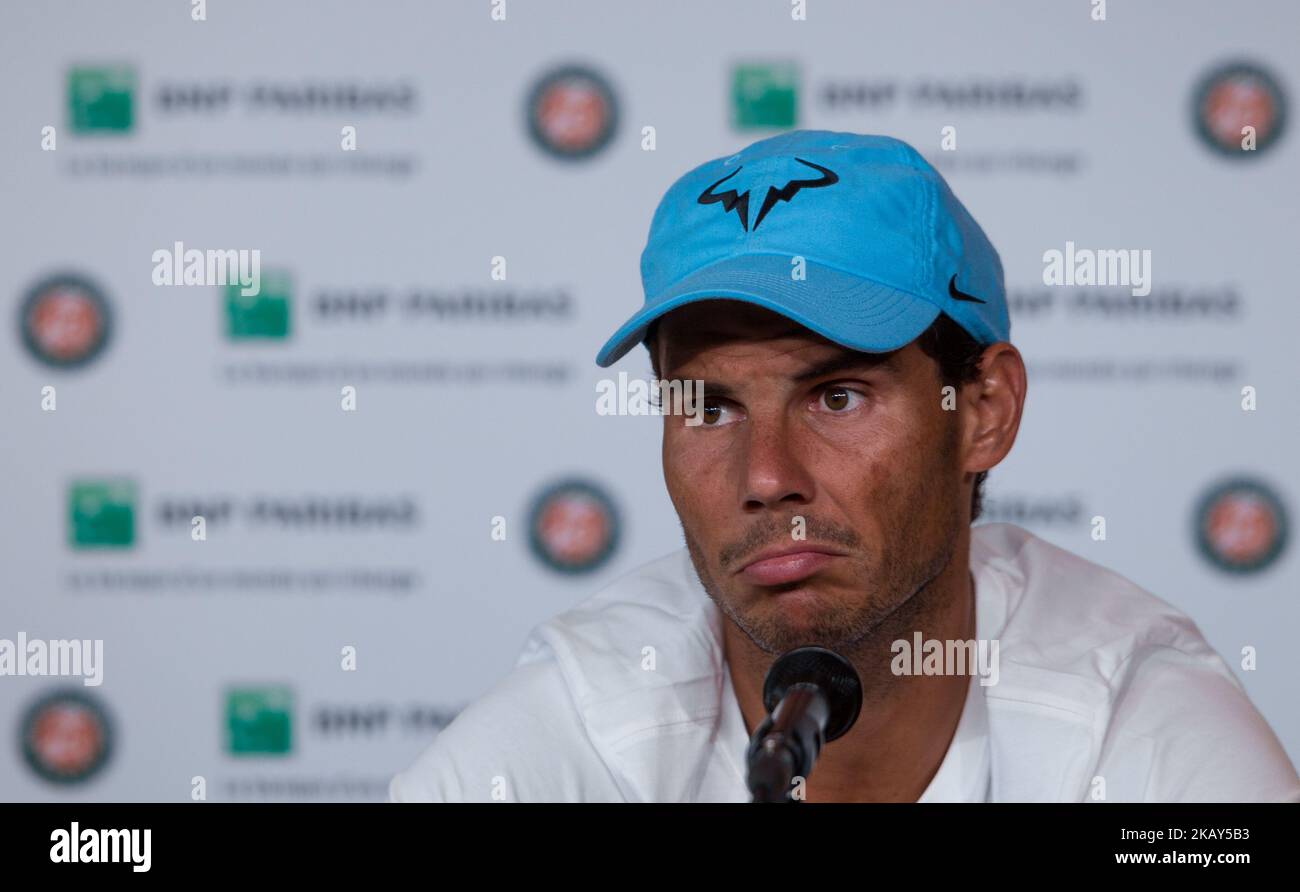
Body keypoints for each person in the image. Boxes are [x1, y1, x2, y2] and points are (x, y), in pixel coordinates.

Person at [390, 130, 1300, 802]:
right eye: (709, 408)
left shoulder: (1148, 742)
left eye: (837, 397)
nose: (766, 475)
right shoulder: (572, 731)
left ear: (983, 412)